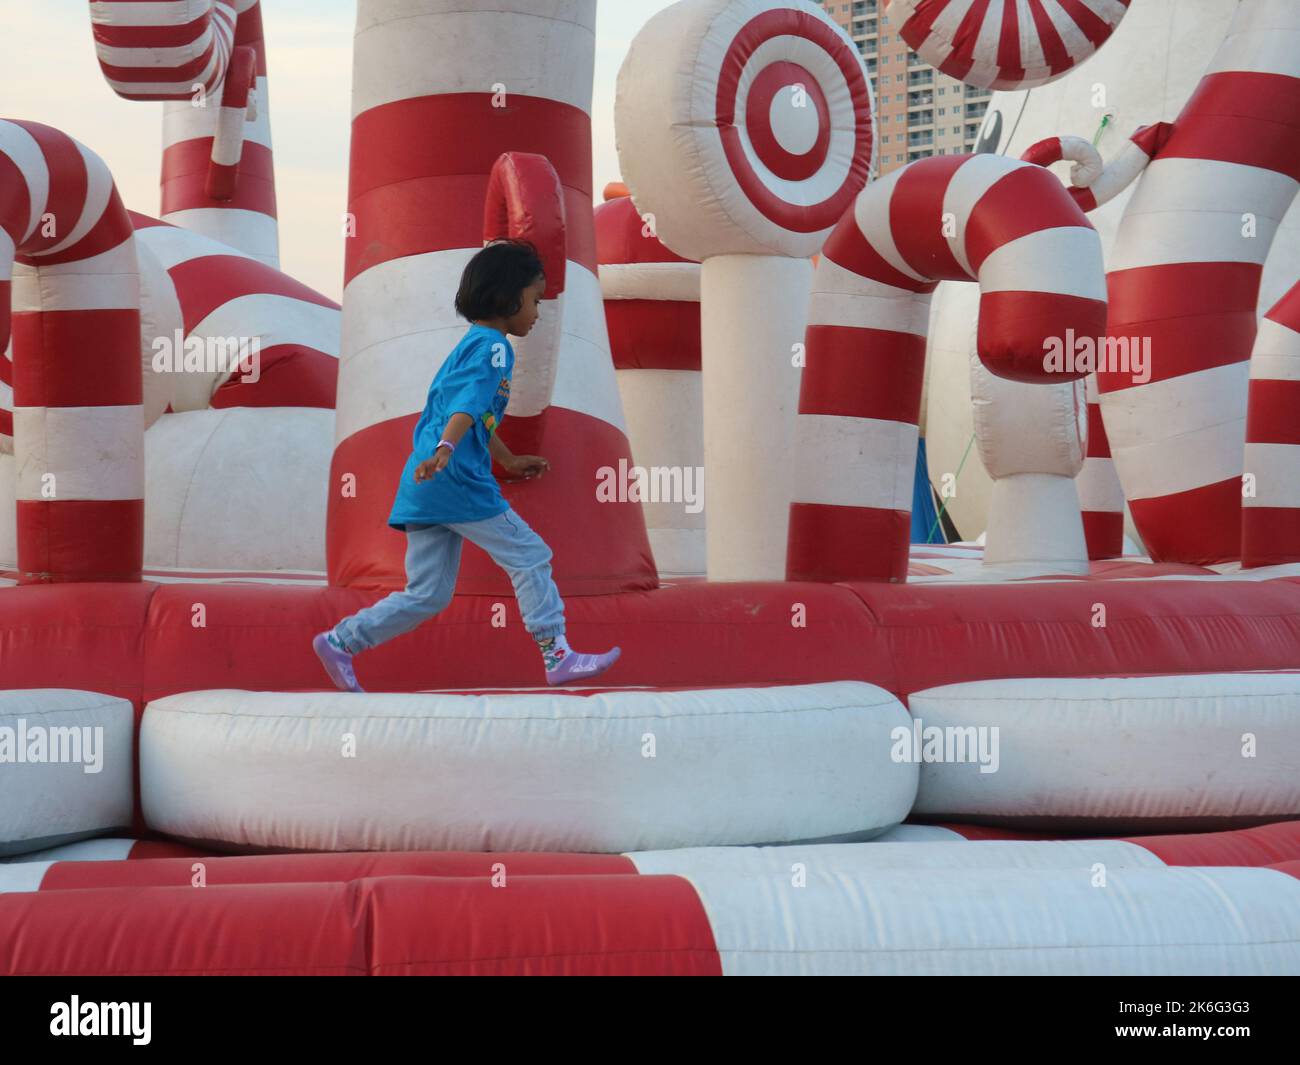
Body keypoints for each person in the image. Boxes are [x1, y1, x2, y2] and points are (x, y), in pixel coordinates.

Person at [313, 239, 621, 692]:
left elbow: (474, 414)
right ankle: (557, 654)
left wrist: (506, 458)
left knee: (428, 594)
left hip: (426, 483)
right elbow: (467, 404)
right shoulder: (495, 348)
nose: (538, 313)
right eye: (535, 300)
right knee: (530, 555)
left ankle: (341, 641)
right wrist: (447, 448)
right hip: (454, 477)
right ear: (509, 295)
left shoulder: (468, 345)